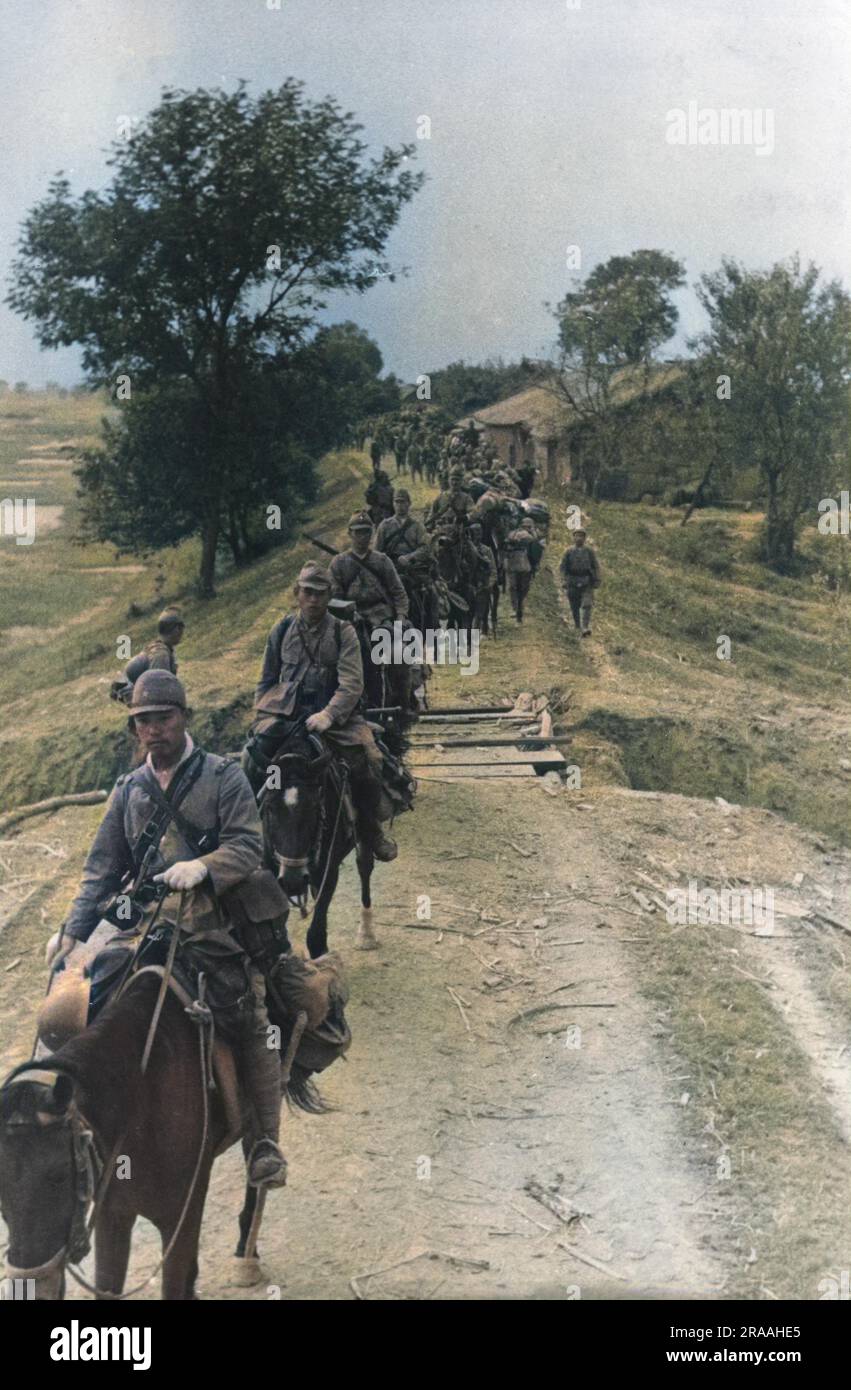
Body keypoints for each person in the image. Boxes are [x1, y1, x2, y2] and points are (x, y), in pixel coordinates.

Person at [47, 670, 289, 1188]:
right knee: (75, 999)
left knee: (247, 1012)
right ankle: (76, 1125)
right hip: (140, 921)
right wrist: (74, 931)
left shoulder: (223, 776)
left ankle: (263, 1143)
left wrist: (203, 866)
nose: (153, 729)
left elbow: (249, 846)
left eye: (164, 718)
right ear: (134, 728)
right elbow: (101, 869)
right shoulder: (128, 790)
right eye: (143, 721)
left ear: (184, 718)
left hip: (212, 920)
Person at [251, 562, 399, 860]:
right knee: (251, 757)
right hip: (287, 716)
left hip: (335, 717)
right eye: (307, 592)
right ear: (297, 592)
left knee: (369, 759)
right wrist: (263, 714)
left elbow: (352, 683)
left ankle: (371, 830)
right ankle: (249, 827)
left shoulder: (343, 632)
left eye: (320, 593)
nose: (313, 599)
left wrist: (329, 715)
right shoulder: (282, 630)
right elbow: (266, 680)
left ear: (329, 595)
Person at [111, 608, 185, 705]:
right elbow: (158, 686)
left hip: (139, 690)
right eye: (180, 628)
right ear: (176, 630)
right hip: (135, 693)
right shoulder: (160, 654)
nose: (182, 632)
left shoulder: (161, 649)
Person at [559, 527, 601, 636]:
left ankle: (585, 627)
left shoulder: (589, 551)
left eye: (581, 536)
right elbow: (562, 567)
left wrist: (597, 579)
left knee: (587, 604)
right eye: (577, 536)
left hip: (586, 581)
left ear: (585, 538)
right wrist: (564, 580)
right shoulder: (568, 551)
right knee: (574, 605)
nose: (579, 538)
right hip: (572, 581)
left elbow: (596, 566)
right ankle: (577, 626)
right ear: (573, 537)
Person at [504, 522, 535, 623]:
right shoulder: (511, 533)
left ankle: (520, 607)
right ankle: (515, 608)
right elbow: (506, 543)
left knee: (523, 588)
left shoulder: (525, 534)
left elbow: (531, 540)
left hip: (523, 562)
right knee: (513, 586)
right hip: (512, 561)